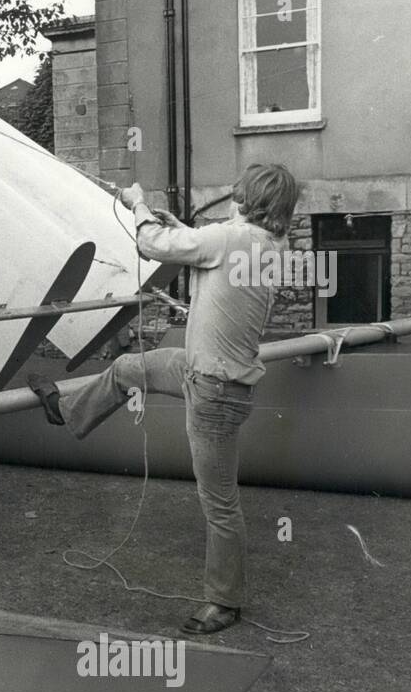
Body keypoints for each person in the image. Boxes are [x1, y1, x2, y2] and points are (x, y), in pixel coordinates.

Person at [29, 163, 300, 636]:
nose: (231, 195)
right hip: (202, 371)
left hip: (216, 392)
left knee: (219, 503)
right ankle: (66, 412)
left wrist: (138, 206)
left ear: (248, 200)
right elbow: (205, 246)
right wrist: (180, 227)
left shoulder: (231, 239)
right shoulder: (269, 245)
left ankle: (224, 602)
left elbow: (151, 245)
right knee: (129, 368)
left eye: (237, 191)